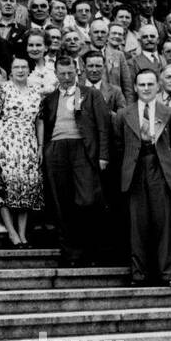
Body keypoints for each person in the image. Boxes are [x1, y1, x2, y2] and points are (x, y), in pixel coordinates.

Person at [114, 69, 171, 287]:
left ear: (158, 87)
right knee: (138, 225)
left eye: (150, 84)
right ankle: (139, 274)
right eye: (142, 84)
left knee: (163, 223)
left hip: (160, 169)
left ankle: (167, 273)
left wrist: (169, 169)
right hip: (135, 171)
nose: (146, 88)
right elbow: (118, 146)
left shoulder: (169, 113)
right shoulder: (124, 114)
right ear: (135, 87)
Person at [40, 55, 109, 266]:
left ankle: (92, 251)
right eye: (62, 74)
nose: (67, 77)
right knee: (63, 203)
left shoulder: (88, 94)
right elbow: (44, 127)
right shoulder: (49, 99)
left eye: (71, 73)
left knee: (87, 200)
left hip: (82, 149)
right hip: (57, 150)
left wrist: (103, 155)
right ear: (56, 74)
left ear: (77, 72)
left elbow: (102, 125)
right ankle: (71, 254)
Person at [0, 57, 45, 247]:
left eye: (24, 67)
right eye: (16, 67)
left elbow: (40, 121)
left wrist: (40, 147)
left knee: (26, 188)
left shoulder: (37, 92)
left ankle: (22, 233)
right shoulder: (2, 89)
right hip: (6, 142)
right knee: (5, 186)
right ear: (10, 70)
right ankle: (11, 232)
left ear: (29, 69)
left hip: (28, 143)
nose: (20, 70)